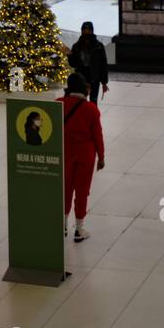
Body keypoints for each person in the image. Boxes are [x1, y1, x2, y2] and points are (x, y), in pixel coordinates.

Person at [59, 73, 105, 242]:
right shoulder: (91, 109)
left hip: (64, 152)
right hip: (85, 153)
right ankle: (79, 229)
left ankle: (62, 226)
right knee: (82, 191)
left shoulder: (58, 104)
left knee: (65, 189)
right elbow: (97, 135)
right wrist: (101, 156)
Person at [68, 22, 109, 104]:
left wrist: (104, 82)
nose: (86, 32)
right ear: (82, 31)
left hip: (94, 78)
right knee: (80, 101)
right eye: (84, 30)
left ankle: (93, 116)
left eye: (88, 30)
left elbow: (103, 64)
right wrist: (69, 55)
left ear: (92, 31)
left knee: (93, 101)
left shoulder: (99, 46)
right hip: (81, 78)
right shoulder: (76, 46)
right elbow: (73, 64)